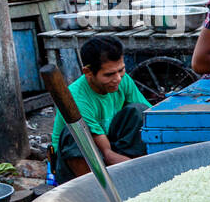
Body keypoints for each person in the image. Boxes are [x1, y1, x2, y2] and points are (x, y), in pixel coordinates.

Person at [50, 36, 150, 185]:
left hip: (108, 148)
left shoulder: (123, 80)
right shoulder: (76, 97)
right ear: (88, 72)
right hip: (79, 160)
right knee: (74, 133)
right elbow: (107, 153)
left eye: (121, 70)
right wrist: (135, 169)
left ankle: (128, 181)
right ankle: (94, 187)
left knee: (138, 112)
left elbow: (149, 113)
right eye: (109, 74)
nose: (117, 78)